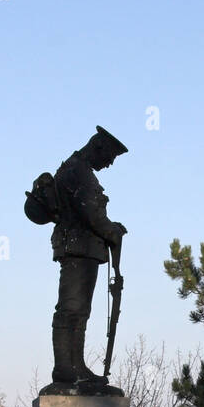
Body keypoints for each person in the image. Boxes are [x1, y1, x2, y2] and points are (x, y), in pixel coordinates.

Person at [48, 125, 128, 391]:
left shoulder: (77, 169)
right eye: (109, 157)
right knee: (70, 309)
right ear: (98, 147)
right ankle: (65, 369)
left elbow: (90, 212)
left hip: (84, 248)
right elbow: (89, 212)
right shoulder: (77, 170)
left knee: (80, 311)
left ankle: (76, 367)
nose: (109, 164)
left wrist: (110, 228)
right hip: (77, 248)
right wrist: (111, 230)